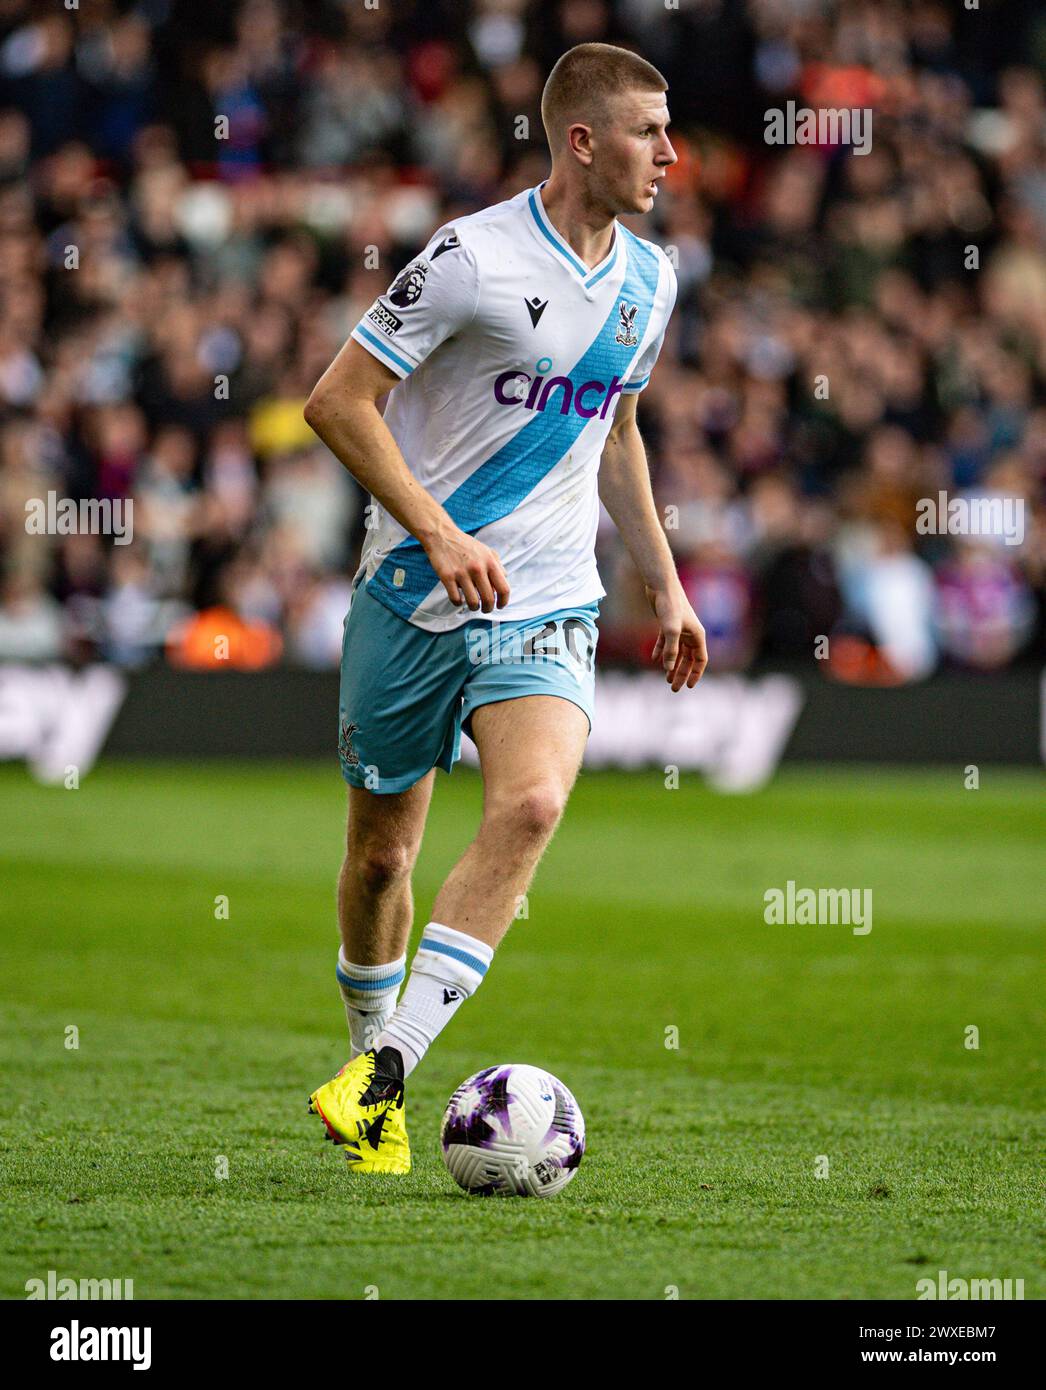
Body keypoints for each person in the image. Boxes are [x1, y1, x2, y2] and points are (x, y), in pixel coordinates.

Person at [302, 42, 708, 1173]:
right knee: (382, 857)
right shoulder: (469, 258)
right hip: (409, 589)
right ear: (581, 139)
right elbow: (336, 403)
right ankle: (366, 1066)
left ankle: (382, 1078)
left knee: (529, 803)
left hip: (547, 600)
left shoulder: (650, 279)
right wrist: (437, 529)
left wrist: (663, 583)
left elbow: (614, 430)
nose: (669, 154)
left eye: (669, 129)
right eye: (646, 131)